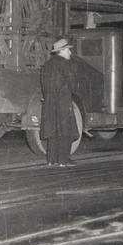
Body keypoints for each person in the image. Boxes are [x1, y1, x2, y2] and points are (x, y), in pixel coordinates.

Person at [40, 38, 80, 167]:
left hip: (49, 103)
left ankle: (51, 160)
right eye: (68, 49)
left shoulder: (46, 65)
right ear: (61, 51)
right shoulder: (67, 64)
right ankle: (63, 160)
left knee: (53, 130)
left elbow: (44, 86)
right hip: (63, 102)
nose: (70, 52)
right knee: (65, 130)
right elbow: (73, 86)